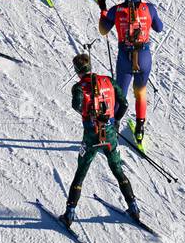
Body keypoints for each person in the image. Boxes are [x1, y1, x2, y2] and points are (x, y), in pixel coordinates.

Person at [60, 52, 140, 227]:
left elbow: (77, 105)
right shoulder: (108, 81)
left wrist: (88, 114)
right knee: (117, 169)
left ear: (77, 70)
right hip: (109, 132)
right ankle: (133, 206)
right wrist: (115, 120)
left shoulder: (79, 87)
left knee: (81, 172)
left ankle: (69, 213)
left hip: (91, 134)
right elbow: (124, 103)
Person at [97, 0, 164, 149]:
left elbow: (103, 29)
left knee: (119, 93)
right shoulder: (149, 8)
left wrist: (103, 8)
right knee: (141, 92)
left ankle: (113, 126)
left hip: (125, 58)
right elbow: (159, 28)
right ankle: (140, 129)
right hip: (144, 57)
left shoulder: (116, 10)